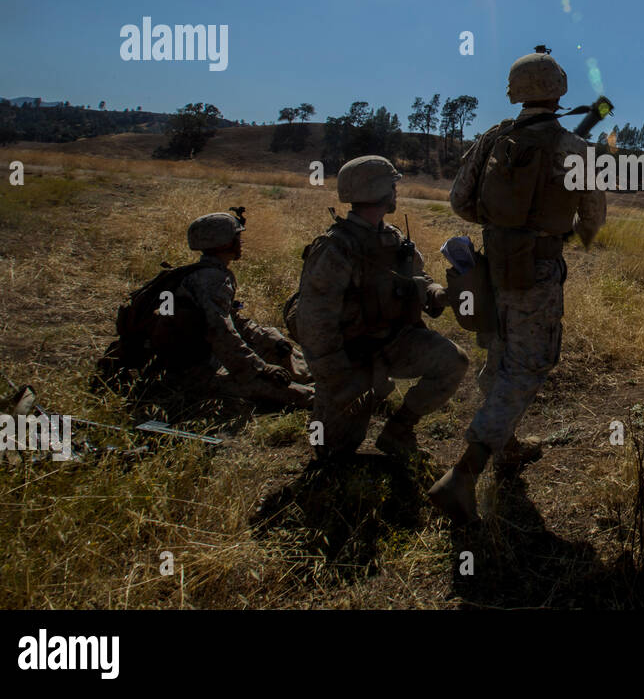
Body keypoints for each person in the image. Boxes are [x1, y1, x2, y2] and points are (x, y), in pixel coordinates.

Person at [430, 45, 606, 524]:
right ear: (559, 90)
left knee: (500, 353)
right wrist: (556, 230)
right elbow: (593, 217)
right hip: (538, 271)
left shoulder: (493, 138)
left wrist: (503, 224)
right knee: (527, 366)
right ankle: (463, 474)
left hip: (493, 265)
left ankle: (505, 446)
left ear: (515, 91)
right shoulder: (574, 147)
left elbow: (459, 201)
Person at [294, 155, 469, 462]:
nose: (395, 192)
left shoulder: (394, 238)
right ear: (378, 191)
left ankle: (399, 430)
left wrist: (441, 294)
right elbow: (314, 319)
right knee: (331, 453)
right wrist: (334, 377)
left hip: (394, 342)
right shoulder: (335, 247)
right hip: (350, 355)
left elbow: (419, 281)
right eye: (392, 185)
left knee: (453, 361)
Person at [154, 211, 314, 409]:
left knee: (273, 338)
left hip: (212, 359)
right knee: (306, 397)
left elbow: (233, 321)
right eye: (237, 237)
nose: (241, 243)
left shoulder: (206, 274)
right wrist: (261, 368)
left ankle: (316, 377)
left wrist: (269, 340)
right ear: (223, 243)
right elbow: (222, 334)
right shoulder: (212, 281)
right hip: (197, 373)